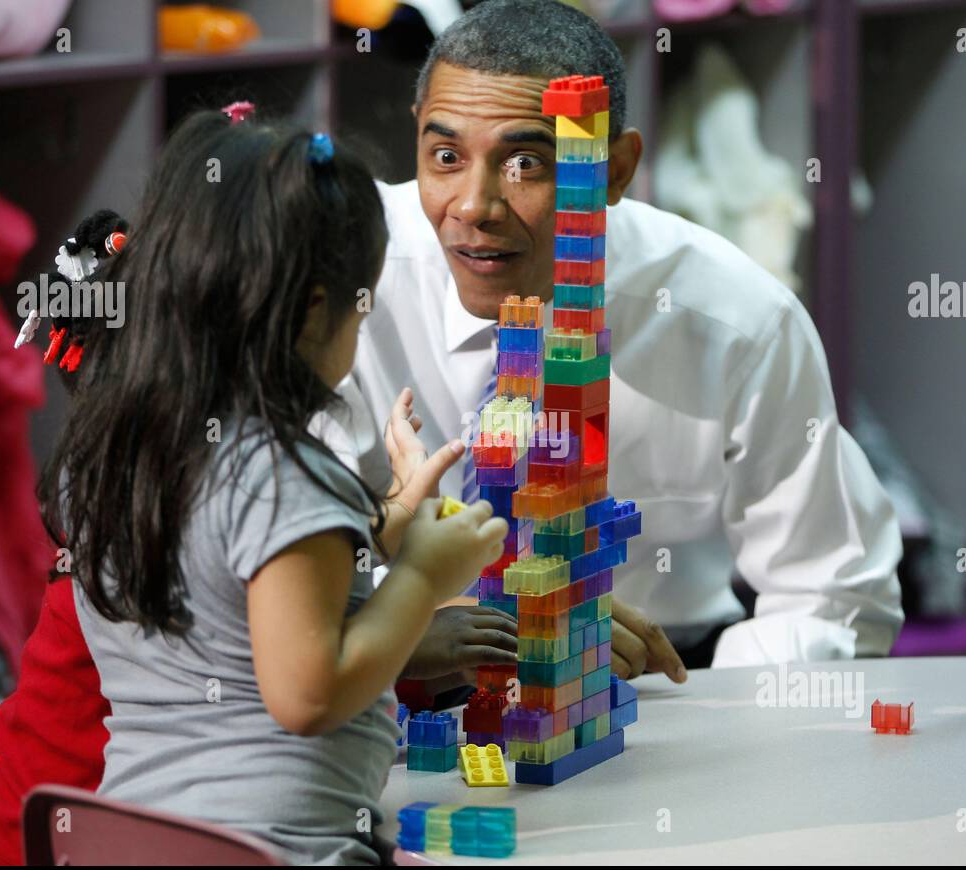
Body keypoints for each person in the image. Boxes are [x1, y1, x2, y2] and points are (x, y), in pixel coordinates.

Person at [342, 0, 903, 672]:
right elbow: (258, 578)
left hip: (657, 672)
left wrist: (708, 718)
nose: (473, 206)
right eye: (445, 156)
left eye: (526, 164)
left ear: (613, 170)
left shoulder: (736, 321)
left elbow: (835, 593)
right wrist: (416, 630)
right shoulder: (342, 280)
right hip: (396, 670)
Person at [36, 109, 507, 865]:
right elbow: (309, 693)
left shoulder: (122, 455)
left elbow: (238, 574)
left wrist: (383, 521)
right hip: (281, 852)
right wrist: (422, 575)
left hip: (126, 843)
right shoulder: (283, 471)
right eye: (359, 308)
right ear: (314, 311)